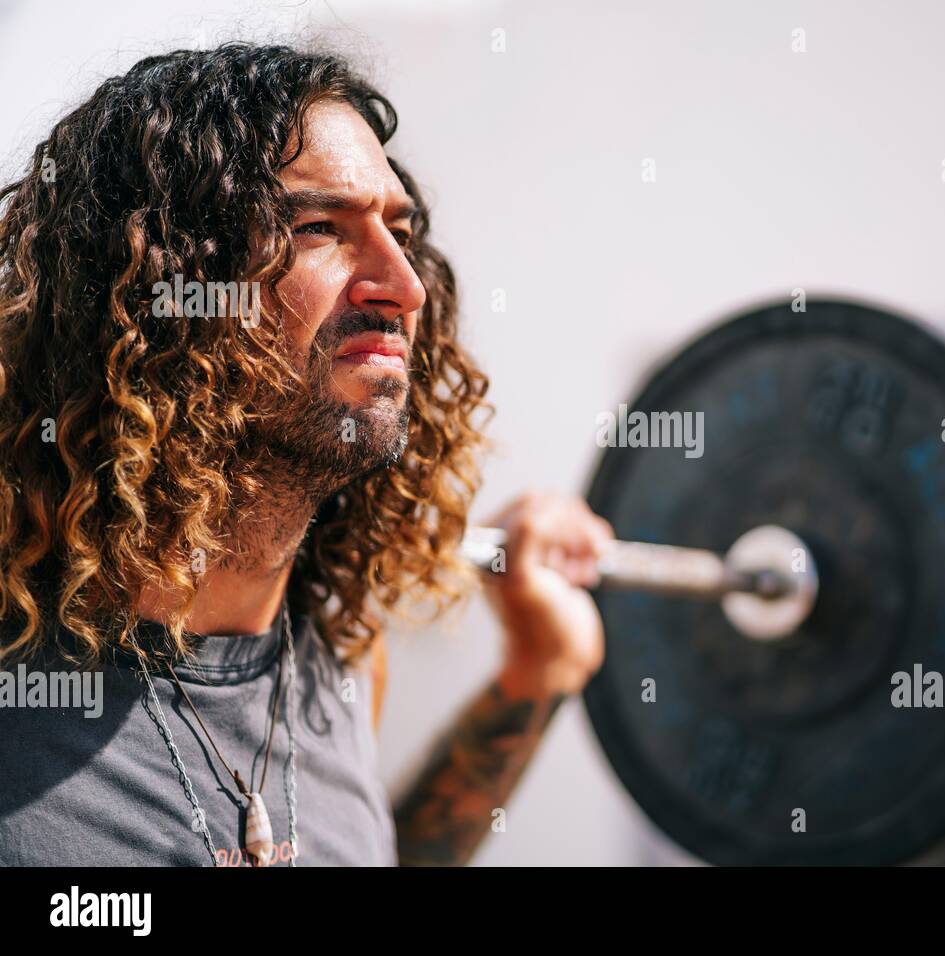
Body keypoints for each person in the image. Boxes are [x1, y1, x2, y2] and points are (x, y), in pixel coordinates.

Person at [0, 43, 612, 866]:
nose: (403, 283)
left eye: (399, 231)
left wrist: (534, 679)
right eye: (321, 227)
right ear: (163, 290)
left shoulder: (344, 665)